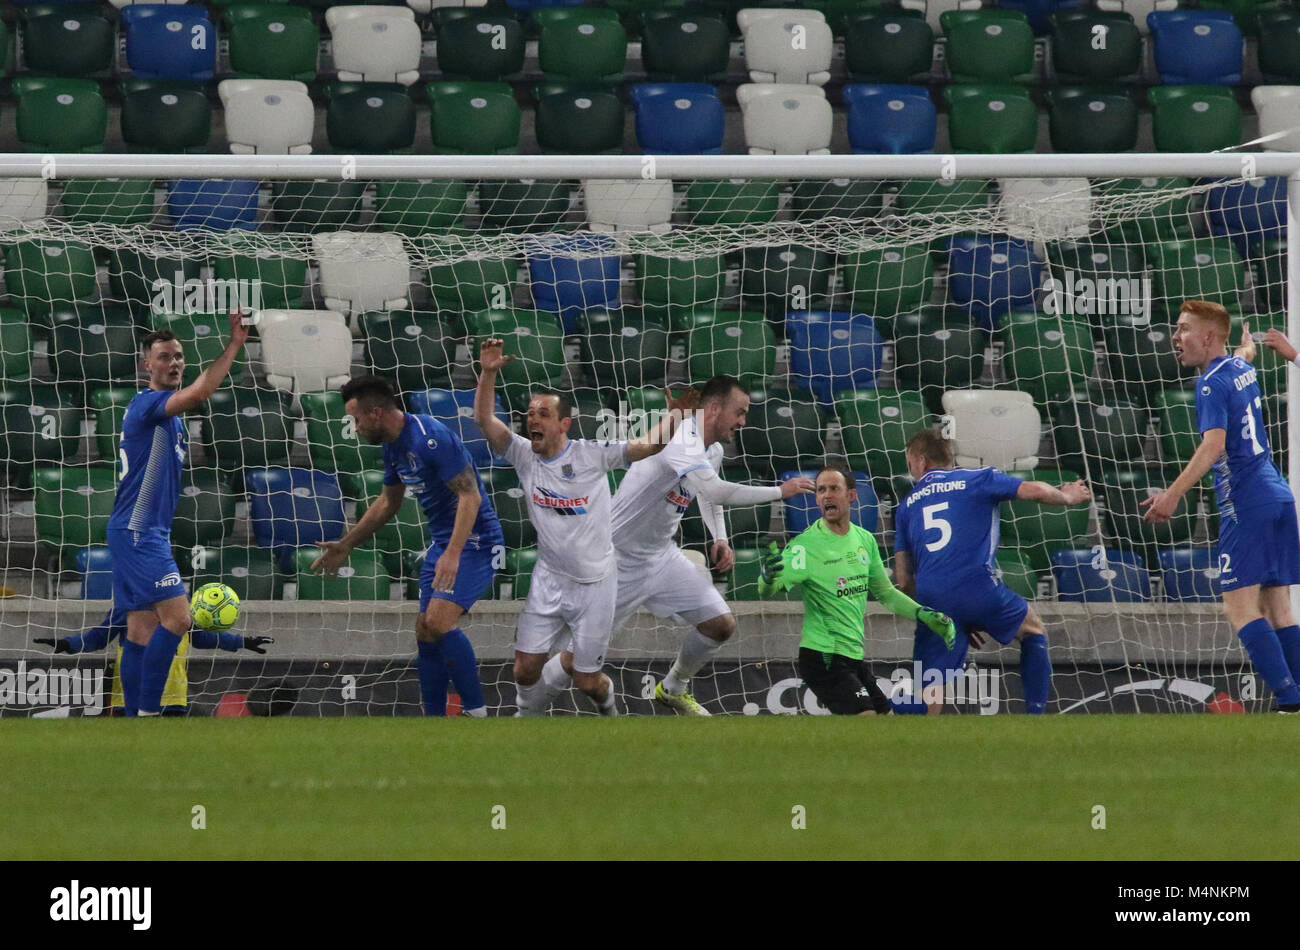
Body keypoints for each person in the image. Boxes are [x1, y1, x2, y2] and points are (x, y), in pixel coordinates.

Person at [472, 338, 696, 716]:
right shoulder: (524, 455)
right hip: (549, 578)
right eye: (530, 414)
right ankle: (525, 717)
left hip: (595, 584)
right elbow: (484, 420)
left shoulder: (591, 455)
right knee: (524, 669)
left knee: (587, 679)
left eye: (542, 414)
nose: (533, 420)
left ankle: (608, 711)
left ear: (564, 423)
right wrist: (488, 373)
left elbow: (645, 448)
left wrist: (673, 417)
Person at [311, 375, 504, 717]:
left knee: (439, 623)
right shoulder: (393, 445)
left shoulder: (429, 439)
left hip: (477, 542)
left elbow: (470, 496)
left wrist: (453, 555)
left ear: (375, 413)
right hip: (444, 542)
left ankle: (478, 714)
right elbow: (388, 503)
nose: (354, 428)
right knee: (425, 632)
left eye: (355, 420)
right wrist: (346, 544)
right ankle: (432, 719)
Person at [1143, 300, 1300, 713]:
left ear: (1209, 336)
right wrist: (1247, 346)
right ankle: (1298, 699)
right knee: (1278, 608)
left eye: (1183, 329)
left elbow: (1212, 446)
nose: (1175, 337)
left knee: (1239, 608)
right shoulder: (1241, 368)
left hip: (1245, 499)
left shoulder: (1210, 383)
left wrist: (1173, 493)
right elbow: (1243, 355)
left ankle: (1288, 701)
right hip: (1277, 493)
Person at [891, 430, 1091, 715]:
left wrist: (945, 611)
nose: (911, 468)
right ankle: (1036, 716)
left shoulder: (906, 505)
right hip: (976, 588)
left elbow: (903, 579)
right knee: (1032, 629)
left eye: (909, 461)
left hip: (931, 597)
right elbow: (1032, 490)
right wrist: (1067, 497)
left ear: (921, 462)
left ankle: (880, 716)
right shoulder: (977, 478)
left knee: (929, 695)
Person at [108, 314, 248, 717]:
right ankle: (151, 713)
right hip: (139, 530)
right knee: (180, 617)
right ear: (146, 365)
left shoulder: (166, 416)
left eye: (179, 356)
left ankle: (133, 715)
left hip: (136, 529)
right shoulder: (150, 405)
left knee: (140, 629)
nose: (174, 363)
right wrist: (235, 345)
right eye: (164, 357)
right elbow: (202, 392)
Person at [757, 463, 955, 716]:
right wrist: (767, 579)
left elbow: (886, 593)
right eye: (820, 490)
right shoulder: (805, 546)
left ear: (851, 495)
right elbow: (767, 590)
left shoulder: (865, 539)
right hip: (822, 657)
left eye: (833, 488)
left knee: (887, 720)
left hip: (852, 656)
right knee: (867, 719)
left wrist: (924, 614)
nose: (826, 495)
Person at [35, 605, 273, 716]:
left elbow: (204, 638)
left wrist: (243, 642)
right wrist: (67, 644)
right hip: (128, 700)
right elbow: (97, 638)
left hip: (172, 700)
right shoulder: (126, 608)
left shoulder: (181, 609)